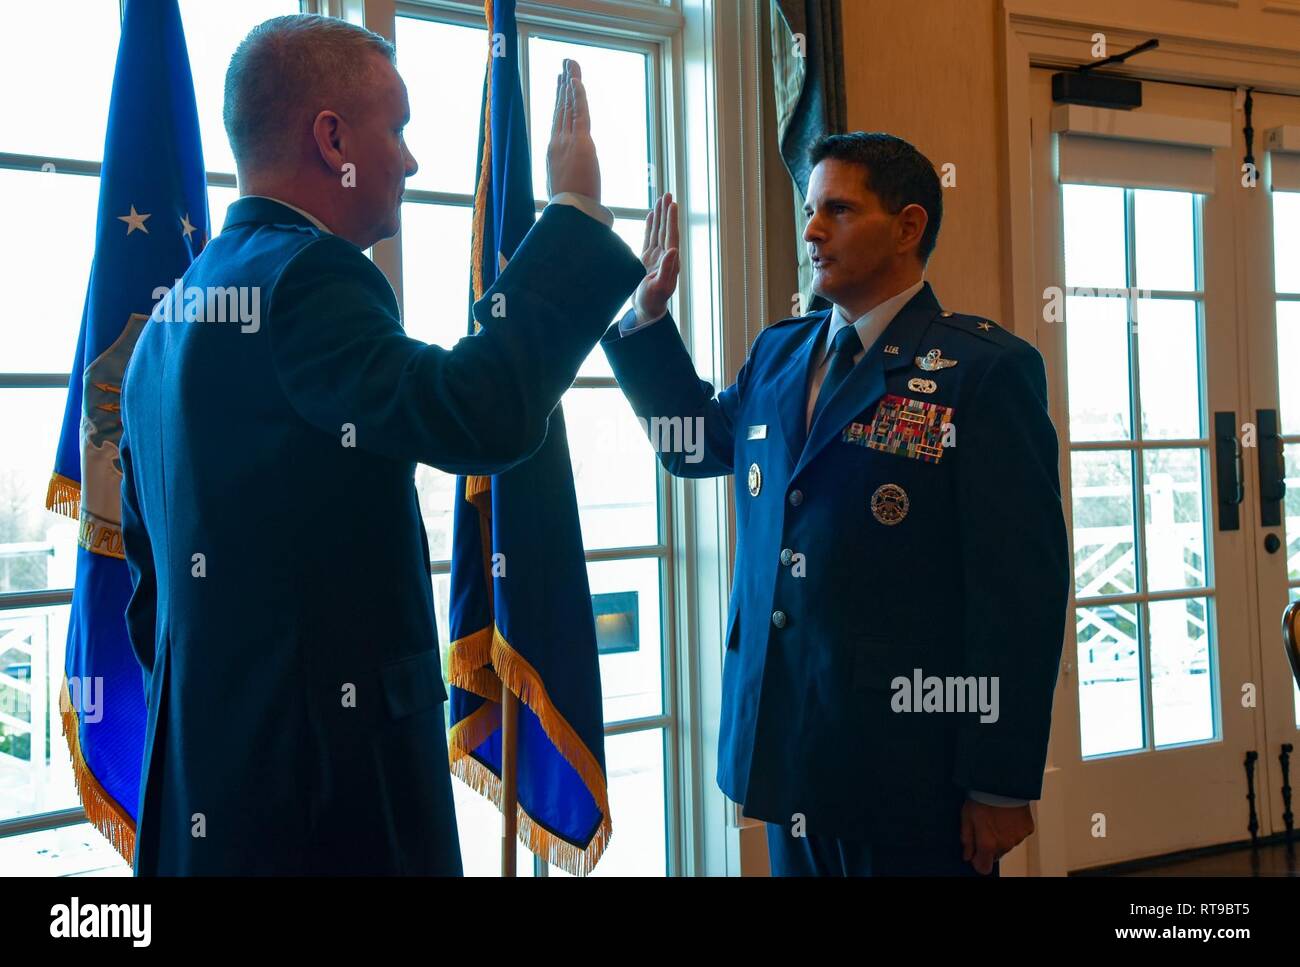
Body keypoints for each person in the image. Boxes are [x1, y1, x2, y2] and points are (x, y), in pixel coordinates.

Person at [119, 14, 643, 875]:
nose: (408, 159)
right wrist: (575, 218)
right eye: (396, 127)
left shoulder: (167, 322)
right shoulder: (307, 278)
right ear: (332, 139)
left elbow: (154, 605)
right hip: (327, 809)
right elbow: (475, 413)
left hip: (206, 798)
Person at [605, 132, 1069, 876]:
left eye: (839, 210)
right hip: (789, 747)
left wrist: (1000, 778)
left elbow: (1020, 595)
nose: (812, 229)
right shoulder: (781, 352)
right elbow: (695, 445)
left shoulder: (983, 372)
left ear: (909, 226)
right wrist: (648, 319)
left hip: (910, 769)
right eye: (810, 209)